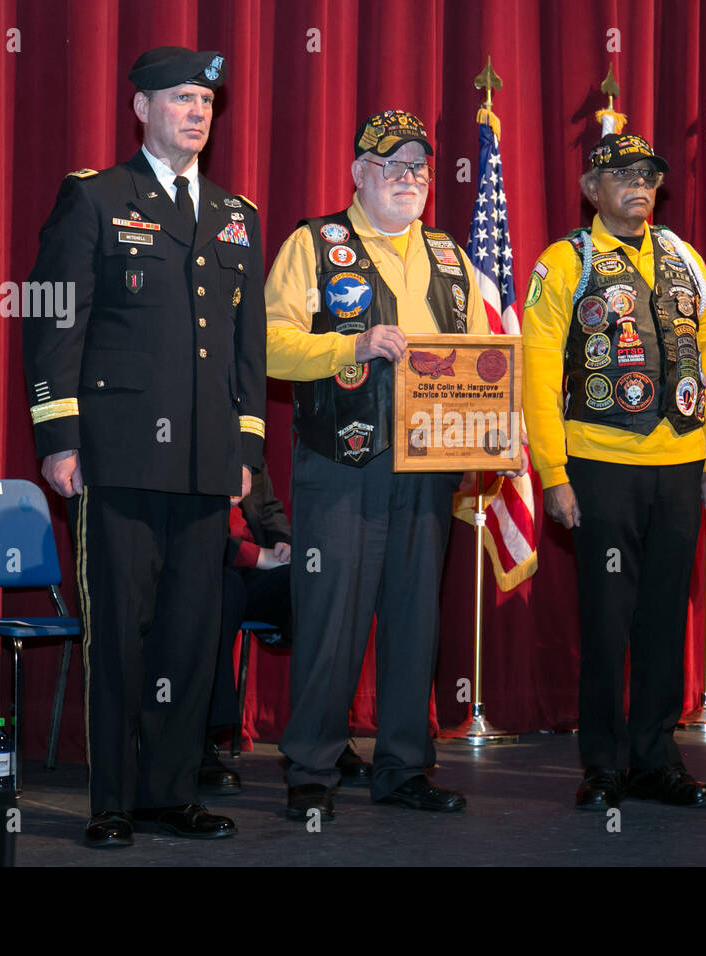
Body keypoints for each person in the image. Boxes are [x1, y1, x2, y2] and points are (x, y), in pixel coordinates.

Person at [22, 46, 266, 847]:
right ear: (141, 108)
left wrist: (247, 451)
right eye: (181, 98)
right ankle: (114, 802)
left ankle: (170, 794)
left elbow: (245, 349)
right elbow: (55, 320)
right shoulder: (95, 198)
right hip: (116, 453)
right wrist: (58, 435)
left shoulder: (236, 213)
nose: (197, 113)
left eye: (206, 100)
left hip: (202, 461)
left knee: (191, 635)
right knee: (120, 633)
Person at [265, 109, 486, 821]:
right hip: (341, 464)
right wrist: (348, 348)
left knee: (415, 621)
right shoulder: (315, 244)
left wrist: (489, 439)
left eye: (419, 168)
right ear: (360, 172)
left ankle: (404, 766)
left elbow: (487, 361)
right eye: (393, 166)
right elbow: (267, 345)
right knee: (331, 618)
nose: (410, 179)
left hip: (428, 469)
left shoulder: (453, 258)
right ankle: (310, 768)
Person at [522, 133, 706, 810]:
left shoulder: (684, 260)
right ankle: (604, 763)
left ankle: (656, 758)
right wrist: (553, 472)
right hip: (601, 467)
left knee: (666, 620)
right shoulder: (565, 263)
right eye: (623, 175)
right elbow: (539, 372)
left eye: (648, 175)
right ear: (592, 189)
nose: (639, 185)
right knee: (608, 620)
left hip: (678, 467)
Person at [200, 464, 372, 791]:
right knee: (224, 592)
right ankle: (201, 741)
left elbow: (269, 509)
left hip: (259, 567)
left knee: (318, 589)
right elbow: (186, 528)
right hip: (210, 567)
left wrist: (281, 541)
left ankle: (320, 736)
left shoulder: (247, 448)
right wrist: (254, 555)